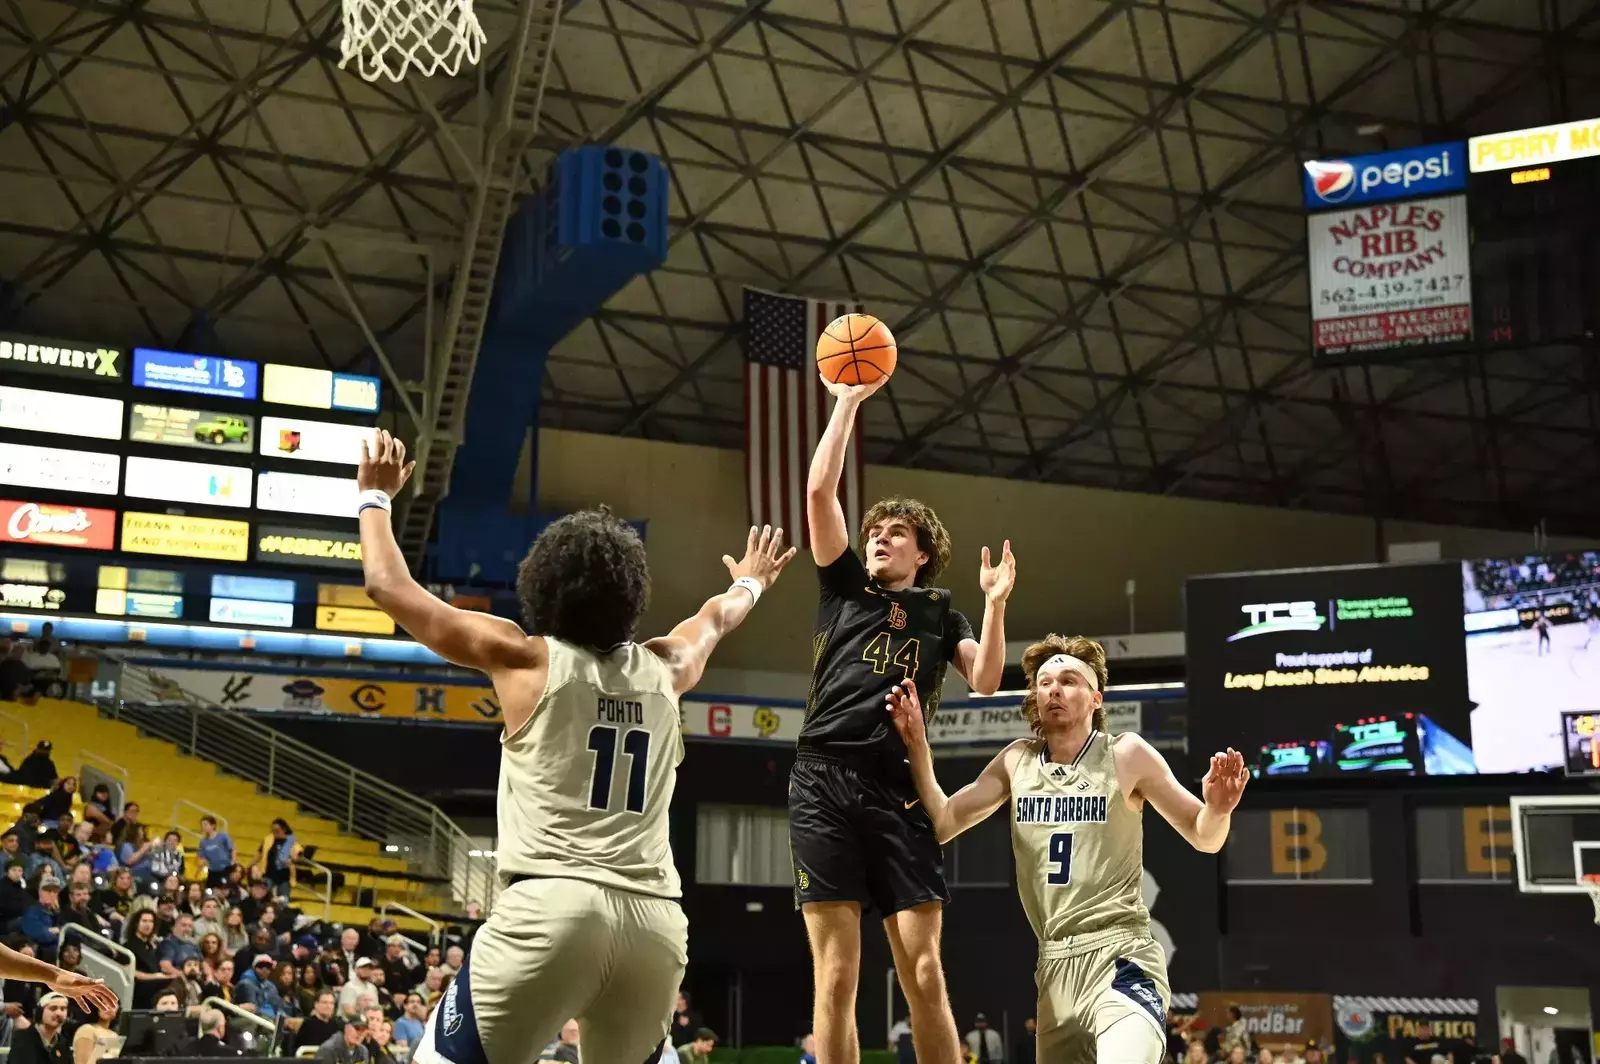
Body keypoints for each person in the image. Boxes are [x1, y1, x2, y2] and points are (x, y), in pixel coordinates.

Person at [357, 432, 796, 1061]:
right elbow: (716, 617)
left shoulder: (523, 658)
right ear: (632, 595)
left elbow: (389, 588)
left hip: (551, 908)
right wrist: (751, 582)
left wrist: (374, 495)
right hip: (655, 926)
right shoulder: (667, 668)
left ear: (543, 584)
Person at [885, 635, 1250, 1064]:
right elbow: (944, 823)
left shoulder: (1126, 754)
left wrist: (1219, 810)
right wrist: (917, 746)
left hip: (1122, 956)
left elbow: (1203, 836)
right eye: (1044, 682)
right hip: (1054, 967)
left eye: (1069, 680)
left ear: (1096, 698)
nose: (1054, 689)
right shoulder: (1016, 760)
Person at [795, 372, 1016, 1064]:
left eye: (897, 533)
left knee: (925, 974)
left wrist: (997, 603)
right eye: (876, 532)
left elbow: (983, 681)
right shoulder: (844, 587)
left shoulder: (942, 614)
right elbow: (818, 492)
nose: (881, 539)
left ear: (923, 552)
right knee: (837, 978)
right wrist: (848, 402)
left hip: (899, 791)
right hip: (824, 778)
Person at [9, 992, 71, 1064]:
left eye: (63, 1009)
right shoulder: (23, 1038)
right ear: (40, 1012)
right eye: (53, 1008)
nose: (59, 1013)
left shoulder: (63, 1043)